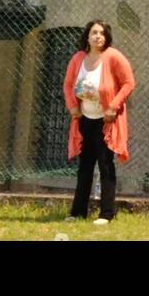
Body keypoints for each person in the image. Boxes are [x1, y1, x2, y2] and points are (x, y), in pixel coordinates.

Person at [62, 20, 134, 224]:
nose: (98, 36)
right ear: (87, 36)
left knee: (105, 165)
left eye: (102, 33)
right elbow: (68, 85)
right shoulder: (78, 58)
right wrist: (72, 107)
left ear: (106, 37)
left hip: (106, 122)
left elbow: (128, 83)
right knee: (84, 167)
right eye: (94, 32)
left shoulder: (113, 57)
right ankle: (77, 212)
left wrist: (113, 107)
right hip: (84, 119)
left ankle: (107, 214)